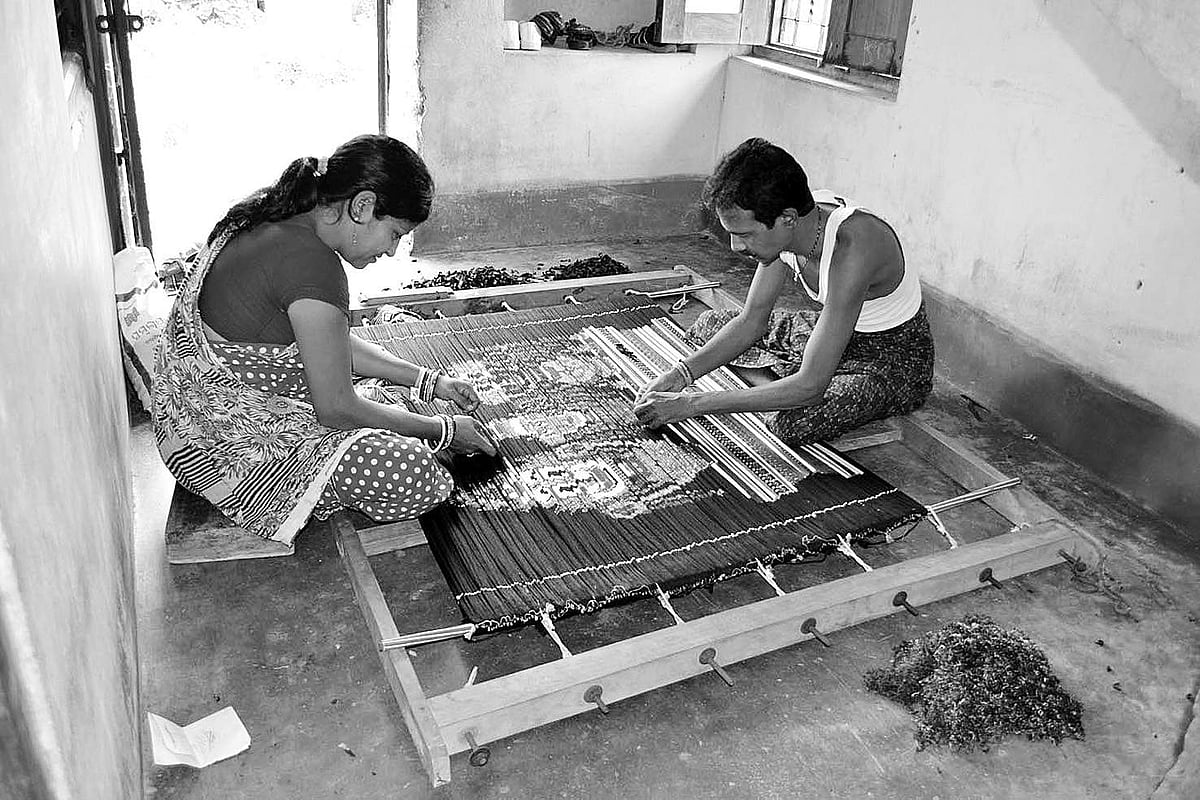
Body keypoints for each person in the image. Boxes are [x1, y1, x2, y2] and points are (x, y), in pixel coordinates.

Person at [152, 134, 495, 547]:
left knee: (389, 401)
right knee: (416, 474)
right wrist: (441, 430)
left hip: (185, 421)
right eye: (395, 233)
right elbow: (335, 408)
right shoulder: (311, 264)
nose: (392, 250)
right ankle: (306, 489)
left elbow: (327, 343)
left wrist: (428, 382)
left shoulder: (283, 218)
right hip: (220, 442)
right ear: (363, 206)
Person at [634, 137, 934, 445]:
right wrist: (679, 376)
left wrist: (693, 404)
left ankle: (778, 387)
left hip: (888, 360)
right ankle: (778, 386)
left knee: (789, 423)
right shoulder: (792, 225)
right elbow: (752, 321)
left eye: (745, 235)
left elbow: (811, 387)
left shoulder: (857, 245)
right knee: (709, 324)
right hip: (827, 330)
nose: (737, 246)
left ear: (787, 219)